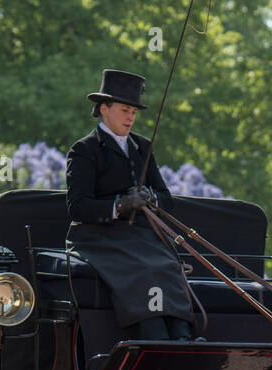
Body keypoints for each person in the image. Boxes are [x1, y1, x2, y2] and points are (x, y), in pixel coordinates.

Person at [65, 69, 193, 341]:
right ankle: (154, 336)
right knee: (145, 268)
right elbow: (78, 207)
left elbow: (167, 198)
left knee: (167, 264)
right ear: (104, 109)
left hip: (141, 237)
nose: (130, 117)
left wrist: (151, 198)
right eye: (125, 110)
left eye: (134, 112)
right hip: (98, 237)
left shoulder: (143, 147)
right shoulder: (85, 150)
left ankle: (182, 335)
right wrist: (121, 204)